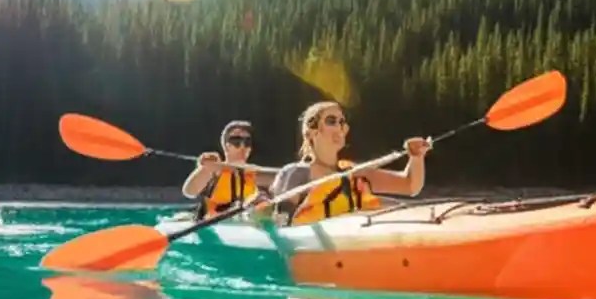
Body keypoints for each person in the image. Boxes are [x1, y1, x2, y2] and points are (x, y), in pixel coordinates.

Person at [262, 100, 432, 226]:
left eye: (342, 122)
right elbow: (280, 224)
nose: (339, 128)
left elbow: (411, 185)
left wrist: (416, 158)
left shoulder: (356, 173)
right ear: (311, 132)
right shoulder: (296, 174)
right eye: (331, 121)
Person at [182, 120, 277, 220]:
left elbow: (281, 177)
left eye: (247, 142)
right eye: (236, 141)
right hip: (214, 224)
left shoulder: (254, 173)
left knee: (262, 201)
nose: (242, 146)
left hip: (242, 223)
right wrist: (204, 169)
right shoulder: (215, 170)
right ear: (226, 146)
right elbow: (189, 191)